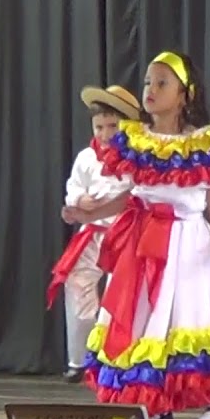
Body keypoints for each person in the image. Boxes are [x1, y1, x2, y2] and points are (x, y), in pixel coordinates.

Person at [63, 50, 210, 419]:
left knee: (193, 323)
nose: (151, 90)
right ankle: (156, 403)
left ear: (185, 94)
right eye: (148, 82)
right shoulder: (136, 141)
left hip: (188, 245)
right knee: (149, 325)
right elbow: (128, 197)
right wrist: (87, 213)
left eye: (162, 83)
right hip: (143, 245)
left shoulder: (201, 143)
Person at [47, 85, 139, 382]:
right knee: (76, 282)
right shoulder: (86, 157)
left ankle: (112, 356)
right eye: (99, 126)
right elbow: (73, 186)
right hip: (93, 231)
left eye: (113, 126)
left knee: (119, 292)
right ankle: (81, 357)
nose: (105, 133)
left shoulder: (136, 155)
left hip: (126, 233)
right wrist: (77, 200)